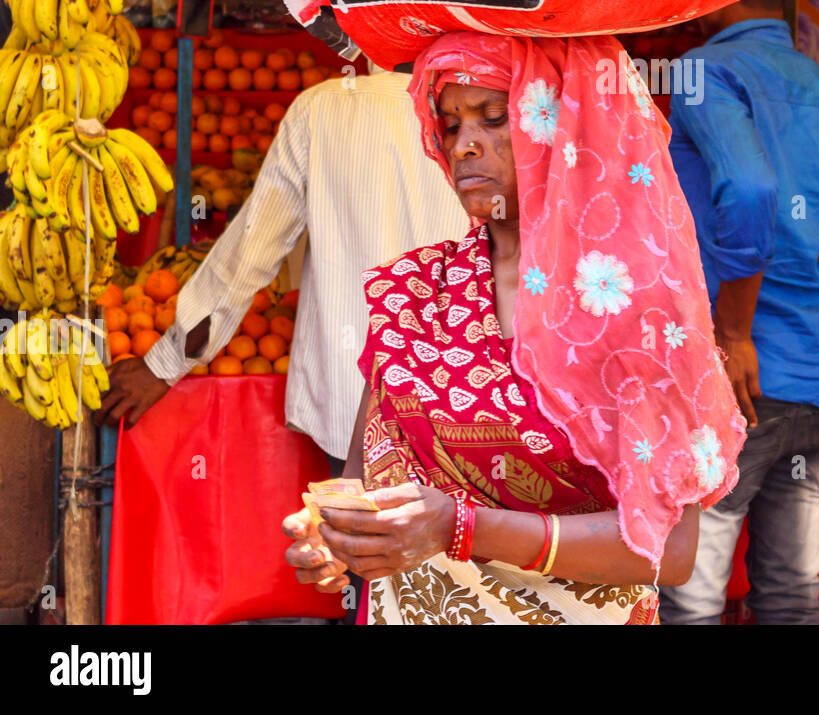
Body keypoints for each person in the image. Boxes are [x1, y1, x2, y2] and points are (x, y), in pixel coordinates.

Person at [282, 33, 746, 625]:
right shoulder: (418, 294)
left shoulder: (634, 308)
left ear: (563, 129)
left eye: (493, 118)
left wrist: (463, 530)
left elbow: (669, 551)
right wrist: (335, 534)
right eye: (449, 126)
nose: (465, 145)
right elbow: (361, 481)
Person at [658, 0, 819, 625]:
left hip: (729, 382)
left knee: (691, 602)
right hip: (810, 382)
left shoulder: (704, 72)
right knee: (791, 595)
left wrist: (733, 334)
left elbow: (752, 187)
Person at [95, 68, 468, 468]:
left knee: (357, 525)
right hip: (474, 405)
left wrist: (165, 364)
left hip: (351, 415)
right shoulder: (494, 108)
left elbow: (251, 252)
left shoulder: (324, 107)